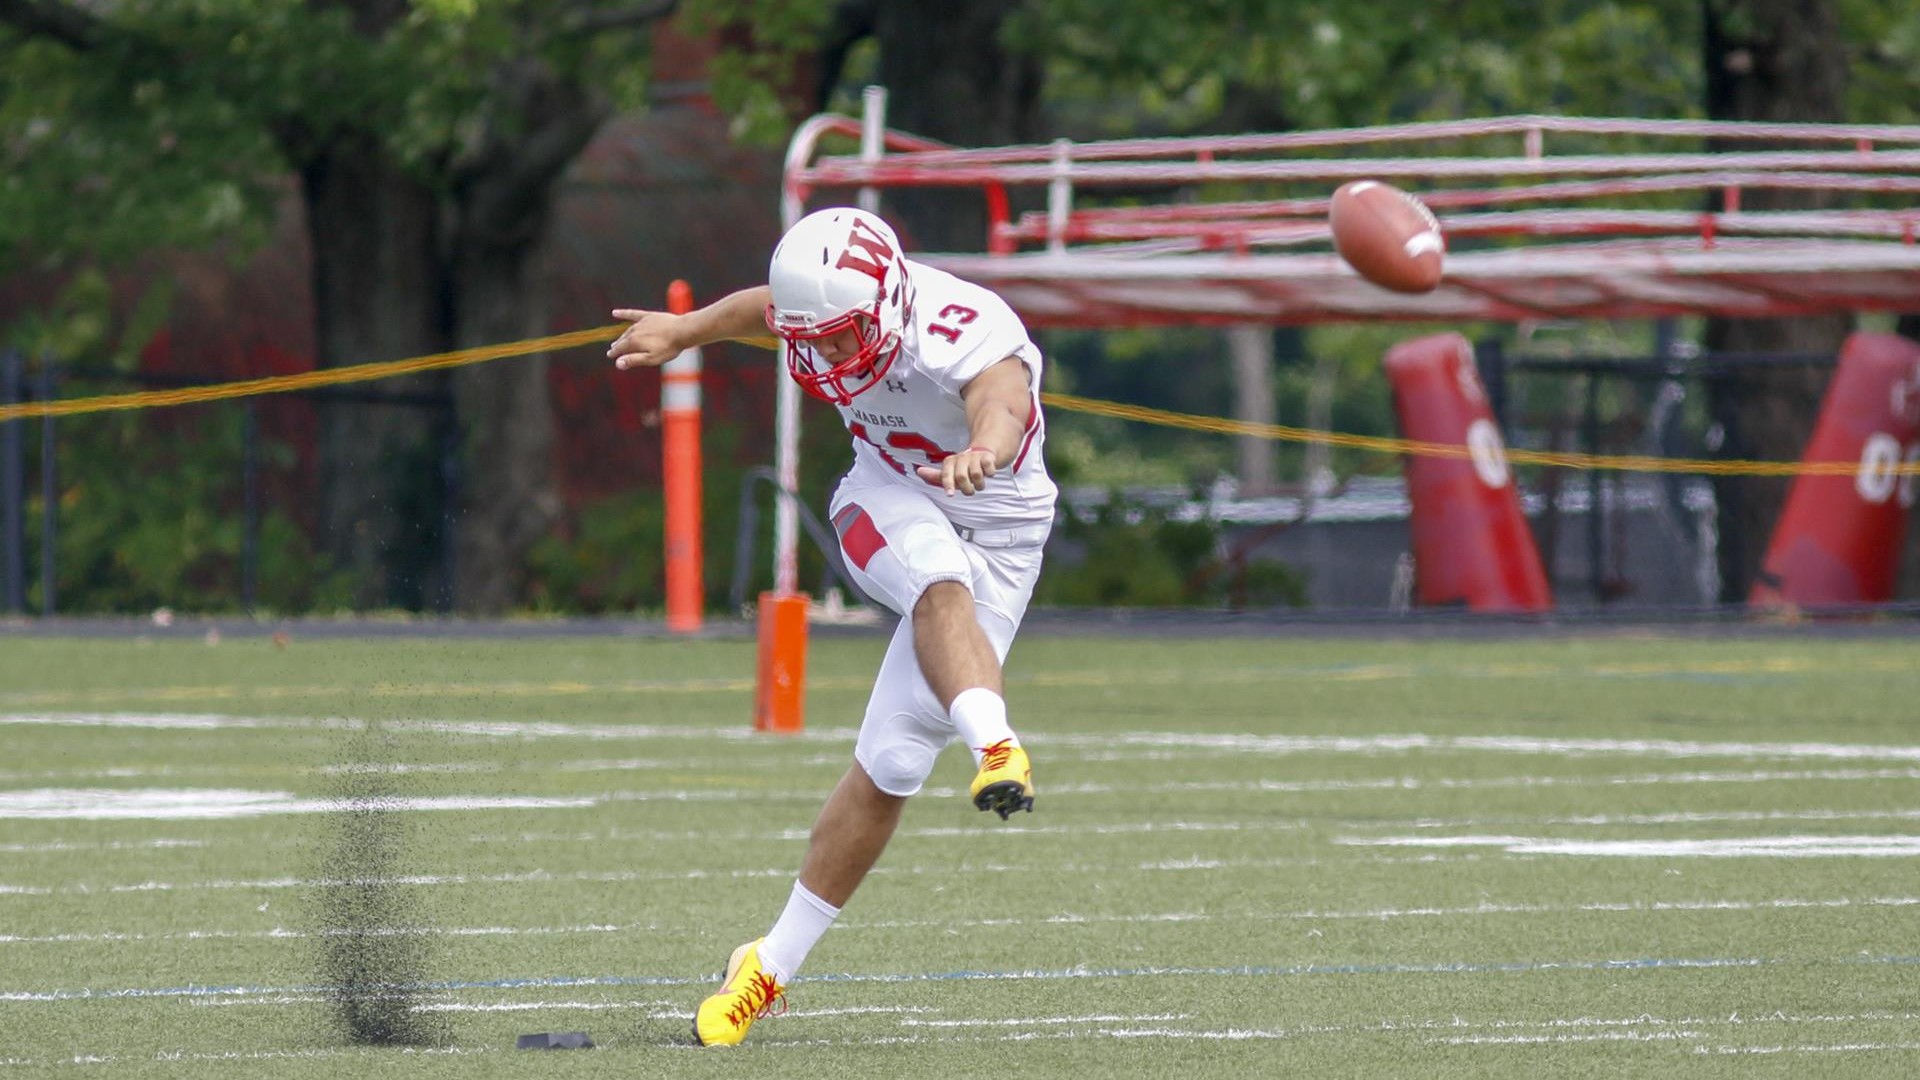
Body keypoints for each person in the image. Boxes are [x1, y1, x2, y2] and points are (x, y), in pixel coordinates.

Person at [607, 206, 1056, 1046]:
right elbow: (762, 310)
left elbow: (1000, 397)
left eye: (844, 336)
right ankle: (997, 745)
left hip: (1002, 526)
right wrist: (687, 331)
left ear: (888, 301)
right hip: (884, 496)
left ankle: (765, 967)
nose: (828, 356)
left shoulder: (960, 323)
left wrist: (983, 451)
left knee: (890, 765)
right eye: (814, 338)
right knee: (932, 577)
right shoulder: (816, 321)